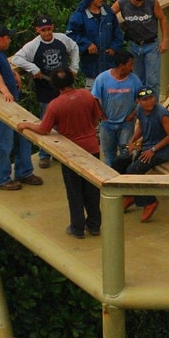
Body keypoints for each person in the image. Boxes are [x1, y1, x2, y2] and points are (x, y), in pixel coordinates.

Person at [17, 69, 105, 238]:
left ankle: (77, 228)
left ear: (55, 86)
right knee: (92, 189)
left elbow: (43, 129)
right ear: (73, 79)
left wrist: (26, 124)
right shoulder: (87, 95)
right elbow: (96, 118)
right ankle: (94, 225)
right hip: (91, 148)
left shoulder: (55, 105)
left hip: (70, 152)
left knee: (74, 191)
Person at [11, 15, 80, 169]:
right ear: (37, 30)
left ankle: (62, 151)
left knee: (66, 118)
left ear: (53, 27)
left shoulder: (62, 39)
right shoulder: (33, 45)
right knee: (46, 120)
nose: (47, 33)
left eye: (49, 29)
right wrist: (33, 68)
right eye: (43, 30)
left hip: (64, 86)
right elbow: (17, 58)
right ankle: (45, 154)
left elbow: (74, 48)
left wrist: (74, 68)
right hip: (45, 87)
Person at [0, 24, 42, 191]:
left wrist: (14, 73)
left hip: (11, 104)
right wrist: (6, 92)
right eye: (8, 38)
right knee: (2, 141)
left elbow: (3, 66)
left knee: (22, 136)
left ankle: (24, 171)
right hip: (2, 105)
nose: (10, 41)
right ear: (1, 39)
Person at [116, 87, 169, 223]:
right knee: (119, 161)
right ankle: (130, 195)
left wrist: (153, 150)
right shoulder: (139, 110)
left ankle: (149, 202)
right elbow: (141, 127)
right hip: (146, 146)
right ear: (138, 101)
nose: (149, 102)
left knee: (133, 170)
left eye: (151, 98)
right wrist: (132, 141)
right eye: (145, 100)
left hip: (160, 151)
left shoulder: (162, 114)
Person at [111, 0, 169, 92]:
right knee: (137, 79)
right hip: (134, 45)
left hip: (151, 44)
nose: (139, 4)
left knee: (152, 80)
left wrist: (165, 40)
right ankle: (140, 106)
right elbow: (109, 15)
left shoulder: (152, 1)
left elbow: (162, 18)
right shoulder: (122, 2)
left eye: (141, 1)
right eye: (136, 2)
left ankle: (153, 106)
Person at [90, 51, 143, 167]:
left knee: (126, 153)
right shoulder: (102, 79)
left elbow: (141, 99)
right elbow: (94, 97)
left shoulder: (135, 80)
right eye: (130, 64)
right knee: (109, 154)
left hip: (126, 123)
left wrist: (133, 114)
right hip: (107, 124)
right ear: (121, 66)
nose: (132, 67)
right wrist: (101, 113)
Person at [67, 0, 124, 86]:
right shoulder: (79, 16)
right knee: (93, 98)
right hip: (91, 69)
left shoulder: (108, 12)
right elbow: (71, 36)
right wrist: (87, 44)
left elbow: (118, 33)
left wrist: (114, 47)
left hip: (110, 67)